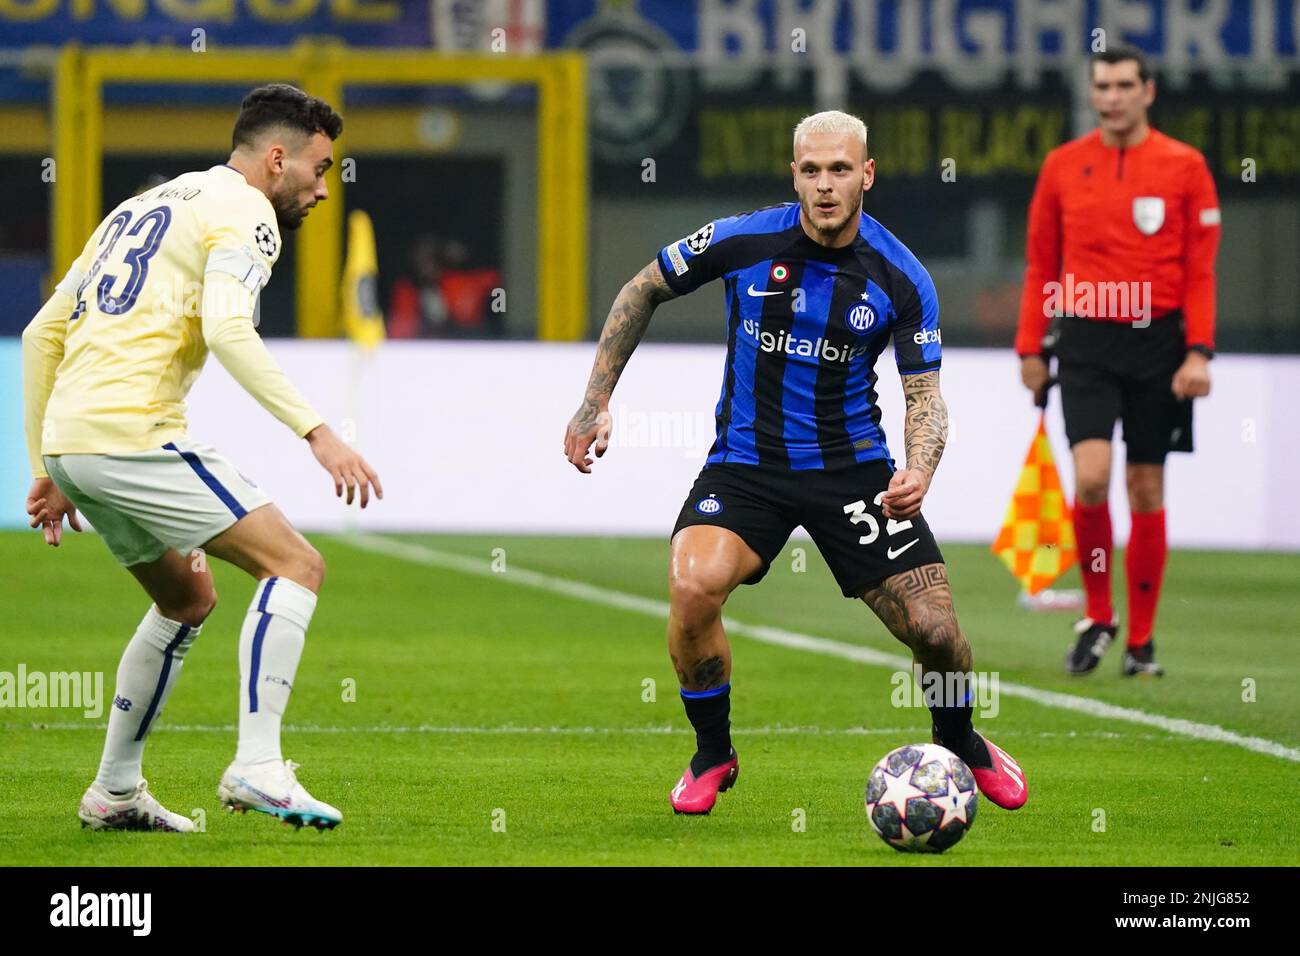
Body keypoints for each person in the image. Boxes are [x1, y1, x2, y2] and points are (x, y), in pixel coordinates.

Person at [564, 110, 1027, 817]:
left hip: (855, 473)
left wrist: (920, 469)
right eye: (811, 171)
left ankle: (959, 739)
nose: (825, 185)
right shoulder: (745, 239)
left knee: (936, 632)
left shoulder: (902, 277)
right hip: (746, 468)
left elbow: (925, 397)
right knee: (692, 590)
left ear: (866, 174)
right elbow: (641, 288)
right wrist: (595, 401)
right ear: (794, 176)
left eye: (840, 169)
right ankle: (713, 753)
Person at [22, 83, 382, 832]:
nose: (322, 190)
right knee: (296, 565)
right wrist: (319, 431)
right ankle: (256, 766)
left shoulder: (142, 206)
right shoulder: (248, 213)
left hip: (74, 442)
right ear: (275, 158)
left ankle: (115, 791)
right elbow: (227, 330)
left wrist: (44, 467)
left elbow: (39, 336)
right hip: (130, 431)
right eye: (318, 170)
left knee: (185, 601)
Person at [1016, 46, 1220, 678]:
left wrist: (1199, 351)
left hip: (1160, 343)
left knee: (1147, 486)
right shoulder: (1062, 166)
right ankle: (1100, 615)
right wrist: (1029, 346)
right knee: (1095, 477)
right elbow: (1041, 264)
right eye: (1102, 85)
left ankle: (1143, 644)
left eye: (1124, 85)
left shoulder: (1186, 167)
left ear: (1148, 91)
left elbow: (1200, 270)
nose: (1112, 97)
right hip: (1085, 340)